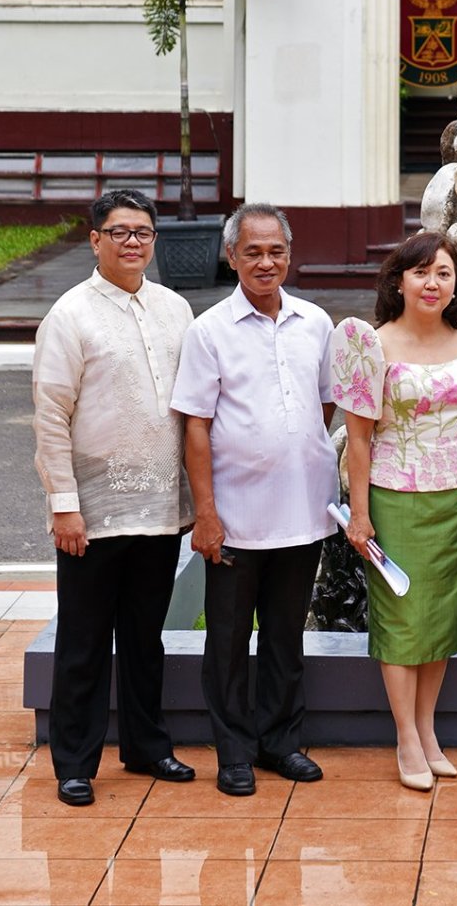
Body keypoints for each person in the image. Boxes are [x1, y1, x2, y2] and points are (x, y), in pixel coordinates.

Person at [32, 188, 196, 807]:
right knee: (82, 641)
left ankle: (147, 746)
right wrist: (64, 506)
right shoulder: (70, 316)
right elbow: (51, 416)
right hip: (92, 513)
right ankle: (74, 762)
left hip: (159, 509)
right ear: (95, 240)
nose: (133, 242)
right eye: (121, 232)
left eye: (144, 233)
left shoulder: (176, 309)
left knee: (144, 636)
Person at [170, 203, 339, 797]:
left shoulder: (316, 322)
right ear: (231, 256)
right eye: (253, 252)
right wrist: (207, 515)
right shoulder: (208, 331)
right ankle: (234, 752)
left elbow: (324, 404)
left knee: (286, 637)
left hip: (303, 512)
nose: (265, 262)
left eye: (276, 251)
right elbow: (195, 428)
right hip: (235, 520)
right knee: (228, 642)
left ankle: (279, 742)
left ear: (289, 255)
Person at [330, 232, 457, 792]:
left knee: (444, 616)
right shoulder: (368, 343)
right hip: (395, 495)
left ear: (456, 283)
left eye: (444, 273)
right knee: (403, 619)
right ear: (398, 280)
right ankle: (405, 737)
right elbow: (357, 440)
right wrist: (360, 515)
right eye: (421, 272)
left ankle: (428, 731)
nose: (433, 283)